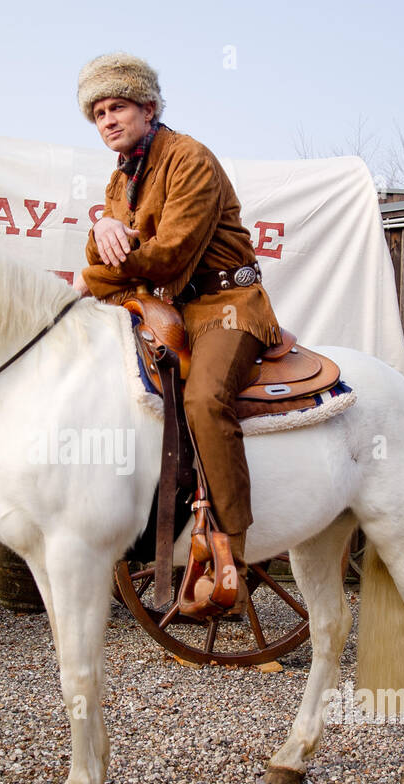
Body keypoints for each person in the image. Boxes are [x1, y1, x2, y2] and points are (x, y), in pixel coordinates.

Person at [78, 52, 283, 580]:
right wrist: (101, 229)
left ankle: (232, 556)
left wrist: (88, 277)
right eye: (98, 113)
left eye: (117, 107)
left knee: (205, 398)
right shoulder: (119, 180)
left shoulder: (189, 158)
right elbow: (116, 252)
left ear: (148, 107)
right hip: (172, 311)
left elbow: (168, 256)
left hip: (226, 308)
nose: (107, 121)